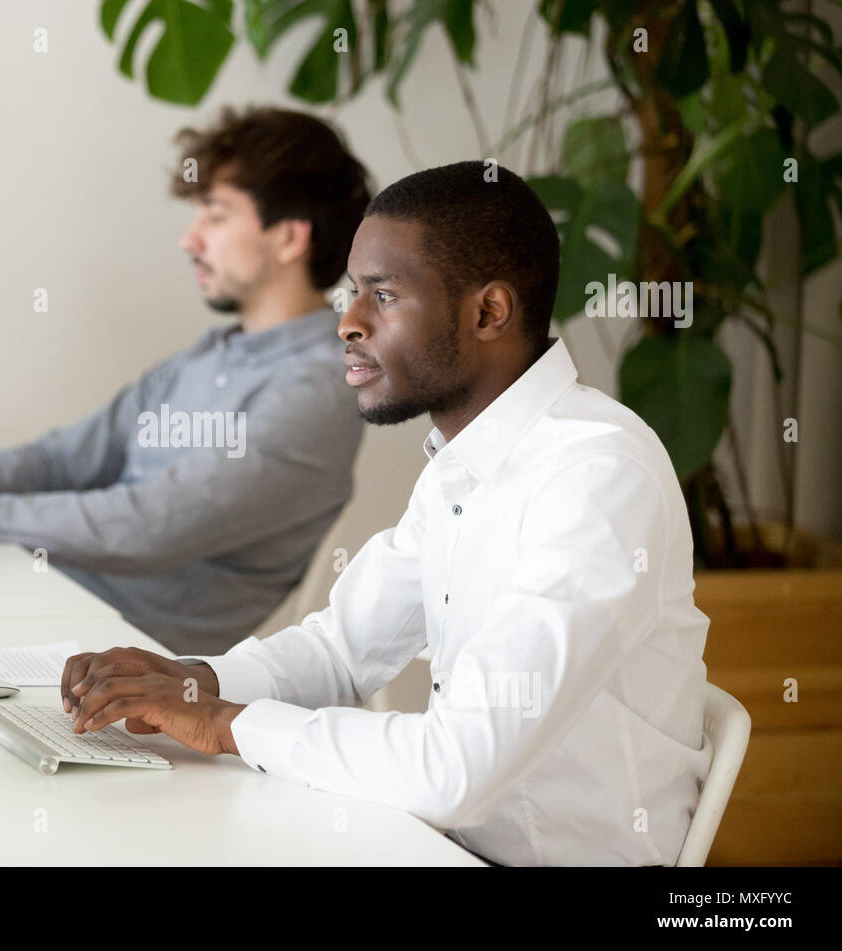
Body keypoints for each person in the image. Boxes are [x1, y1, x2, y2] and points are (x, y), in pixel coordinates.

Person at [59, 161, 713, 867]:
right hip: (437, 845)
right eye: (351, 293)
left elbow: (454, 770)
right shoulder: (464, 465)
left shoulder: (597, 477)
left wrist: (223, 725)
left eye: (384, 295)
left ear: (488, 312)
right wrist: (192, 682)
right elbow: (340, 651)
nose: (347, 322)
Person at [0, 107, 371, 656]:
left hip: (112, 654)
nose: (190, 240)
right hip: (45, 599)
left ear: (289, 238)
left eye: (216, 215)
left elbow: (146, 529)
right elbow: (62, 461)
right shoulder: (208, 356)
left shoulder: (319, 389)